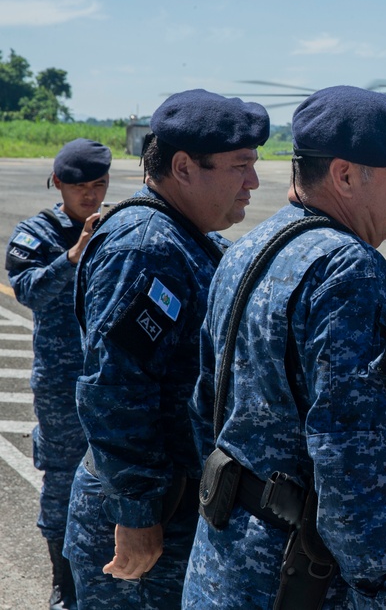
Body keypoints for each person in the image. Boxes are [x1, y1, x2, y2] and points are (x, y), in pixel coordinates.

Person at [183, 86, 386, 609]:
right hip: (299, 579)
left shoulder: (248, 248)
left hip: (222, 559)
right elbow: (354, 466)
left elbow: (206, 406)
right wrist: (380, 590)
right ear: (345, 176)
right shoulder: (350, 271)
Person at [66, 89, 268, 609]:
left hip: (173, 505)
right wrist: (137, 515)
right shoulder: (146, 247)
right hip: (146, 520)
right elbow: (114, 389)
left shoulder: (190, 237)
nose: (253, 181)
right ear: (183, 167)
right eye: (240, 166)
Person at [5, 138, 111, 610]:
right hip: (61, 382)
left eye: (99, 184)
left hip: (110, 378)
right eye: (79, 186)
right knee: (64, 478)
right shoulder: (37, 233)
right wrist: (73, 256)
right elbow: (26, 290)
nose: (90, 194)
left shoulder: (114, 228)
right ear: (57, 183)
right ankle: (63, 582)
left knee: (117, 474)